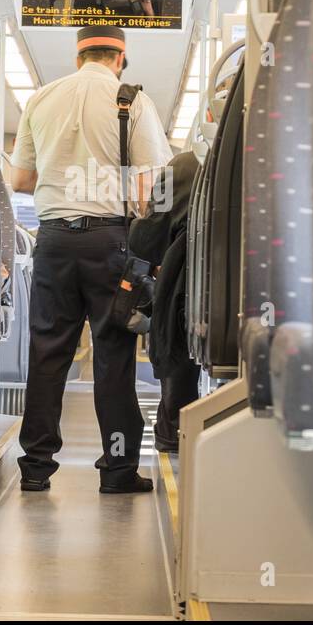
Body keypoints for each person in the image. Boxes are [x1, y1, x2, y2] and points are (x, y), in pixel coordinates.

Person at [8, 25, 172, 493]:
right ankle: (118, 469)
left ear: (79, 56)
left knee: (47, 351)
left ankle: (36, 467)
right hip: (111, 242)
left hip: (54, 240)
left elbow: (20, 180)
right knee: (114, 356)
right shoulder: (132, 101)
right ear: (121, 57)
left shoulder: (41, 99)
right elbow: (152, 189)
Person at [128, 150, 200, 452]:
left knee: (178, 359)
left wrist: (133, 222)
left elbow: (147, 241)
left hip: (185, 292)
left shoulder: (185, 166)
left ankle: (174, 432)